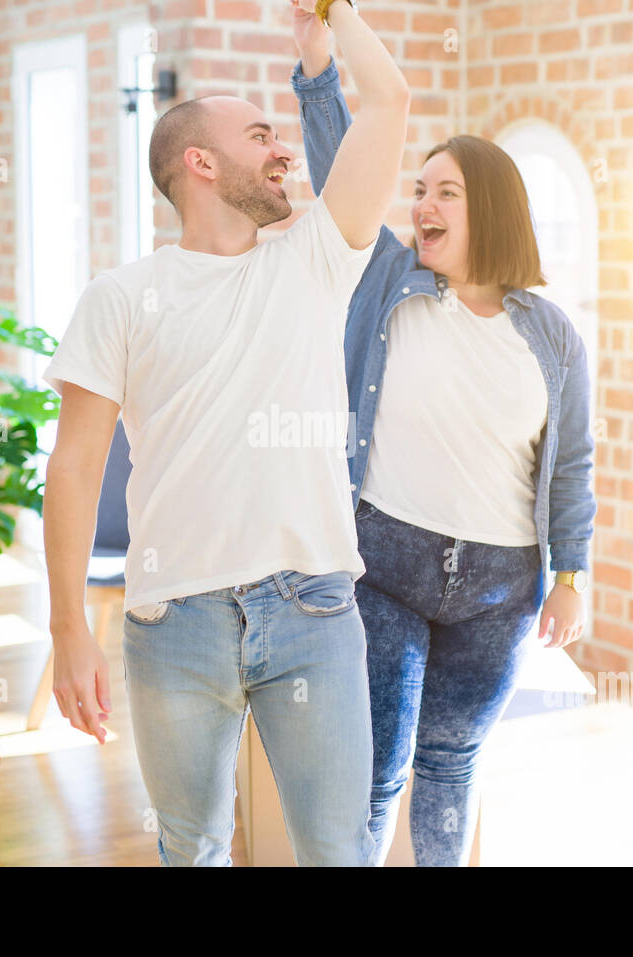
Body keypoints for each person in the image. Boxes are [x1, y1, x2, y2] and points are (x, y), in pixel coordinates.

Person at [40, 0, 409, 866]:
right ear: (199, 162)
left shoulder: (318, 255)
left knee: (336, 852)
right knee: (192, 848)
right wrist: (68, 630)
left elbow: (389, 102)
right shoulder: (121, 297)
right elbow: (75, 464)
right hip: (176, 621)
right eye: (259, 135)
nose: (283, 148)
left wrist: (331, 24)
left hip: (314, 607)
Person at [290, 12, 598, 866]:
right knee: (379, 769)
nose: (420, 205)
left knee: (452, 764)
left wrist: (571, 576)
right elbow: (338, 163)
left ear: (489, 210)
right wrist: (317, 56)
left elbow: (571, 463)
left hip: (501, 589)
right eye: (418, 190)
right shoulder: (390, 281)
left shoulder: (553, 335)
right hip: (386, 561)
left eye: (444, 193)